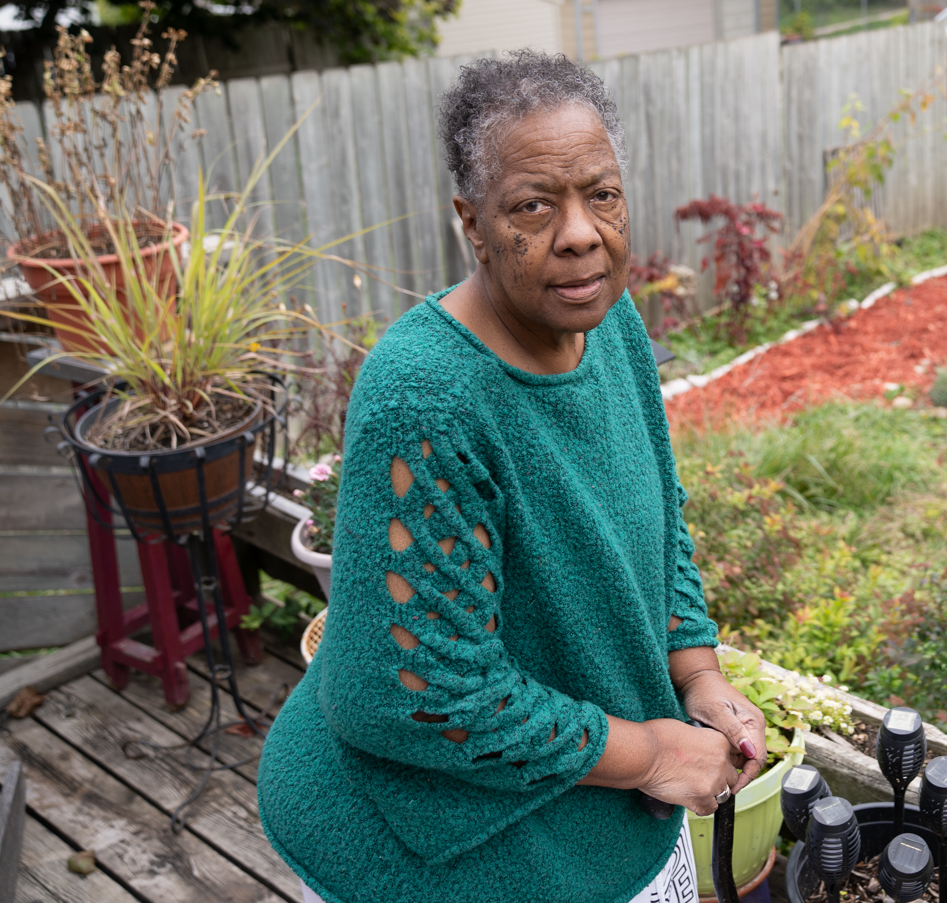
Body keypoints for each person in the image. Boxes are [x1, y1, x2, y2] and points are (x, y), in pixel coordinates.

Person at [260, 50, 764, 903]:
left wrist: (698, 677)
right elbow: (419, 690)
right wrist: (656, 753)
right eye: (534, 205)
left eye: (600, 194)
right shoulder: (426, 398)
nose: (578, 231)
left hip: (594, 785)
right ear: (473, 222)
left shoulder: (611, 326)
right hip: (420, 841)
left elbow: (658, 524)